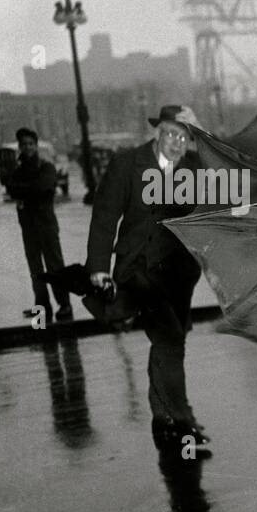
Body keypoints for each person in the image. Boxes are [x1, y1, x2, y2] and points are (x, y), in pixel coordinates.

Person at [86, 105, 212, 457]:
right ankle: (181, 419)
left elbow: (226, 178)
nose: (177, 142)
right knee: (169, 334)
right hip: (137, 267)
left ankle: (163, 418)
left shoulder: (193, 167)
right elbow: (105, 216)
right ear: (158, 132)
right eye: (172, 133)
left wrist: (201, 133)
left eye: (185, 136)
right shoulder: (128, 163)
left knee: (170, 339)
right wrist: (98, 266)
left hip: (177, 270)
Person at [6, 128, 71, 324]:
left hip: (46, 224)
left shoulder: (46, 167)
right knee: (35, 268)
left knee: (54, 266)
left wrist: (22, 189)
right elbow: (12, 189)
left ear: (36, 146)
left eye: (30, 144)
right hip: (28, 225)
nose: (27, 148)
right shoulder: (18, 170)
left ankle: (64, 305)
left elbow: (41, 188)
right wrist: (25, 189)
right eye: (23, 144)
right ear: (20, 147)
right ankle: (42, 307)